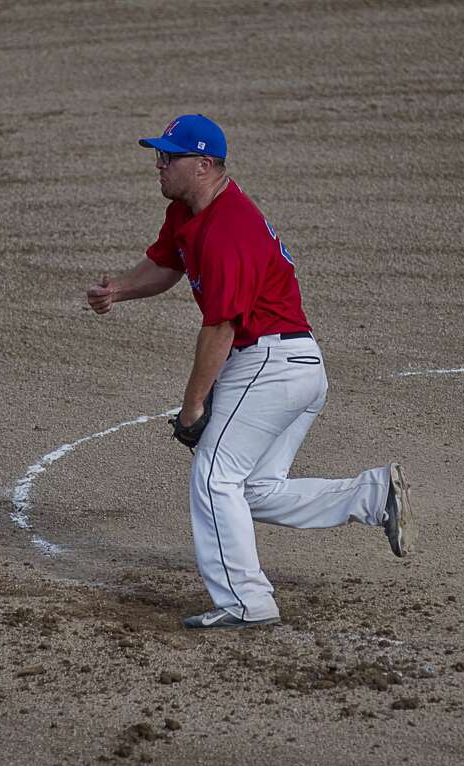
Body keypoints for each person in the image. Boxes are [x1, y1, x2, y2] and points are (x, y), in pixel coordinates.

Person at [85, 114, 416, 630]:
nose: (159, 164)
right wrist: (119, 290)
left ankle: (246, 602)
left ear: (204, 165)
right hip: (292, 365)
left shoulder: (229, 229)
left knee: (215, 476)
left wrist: (194, 404)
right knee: (252, 488)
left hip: (270, 365)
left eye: (168, 157)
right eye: (159, 154)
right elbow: (168, 264)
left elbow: (219, 329)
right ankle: (372, 495)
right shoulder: (187, 212)